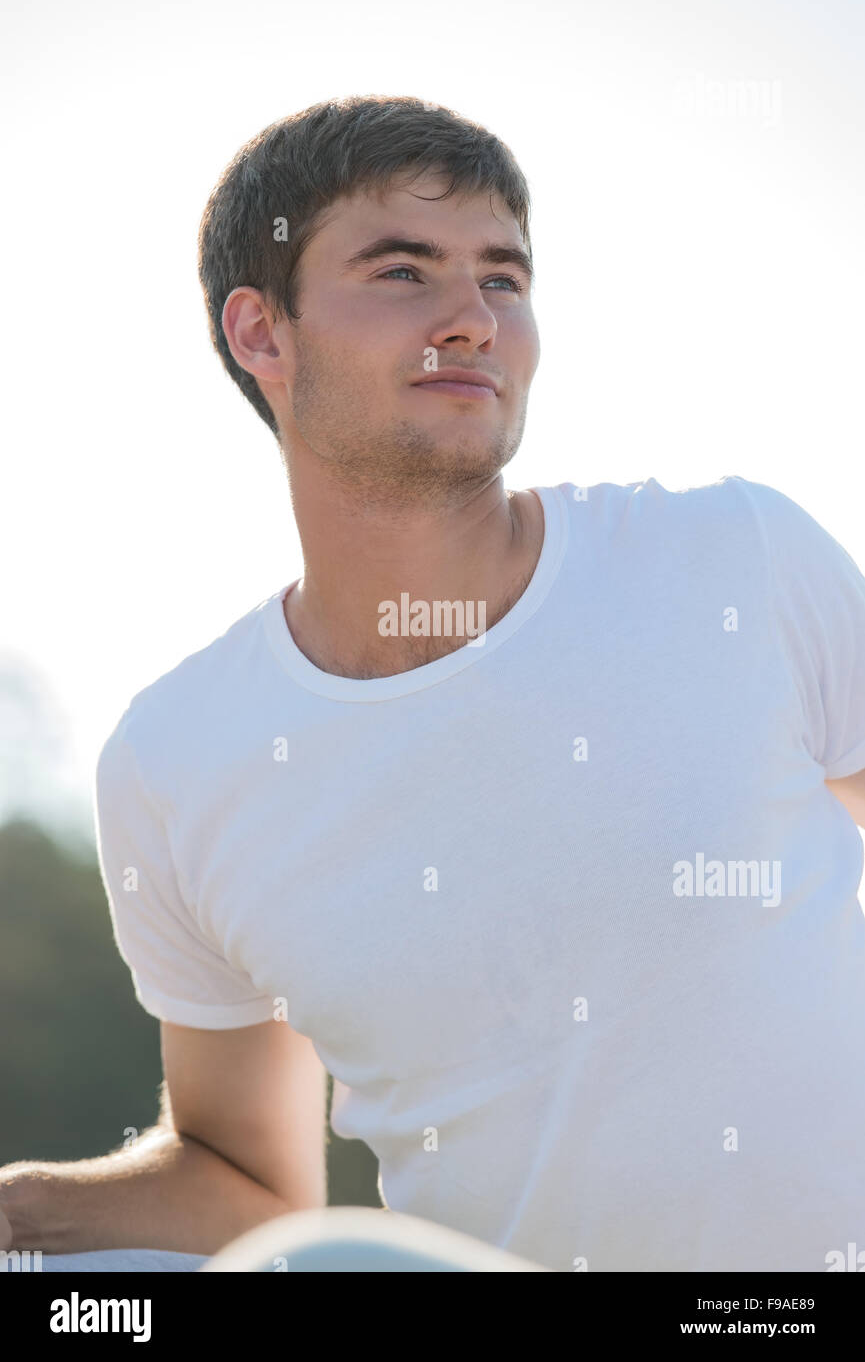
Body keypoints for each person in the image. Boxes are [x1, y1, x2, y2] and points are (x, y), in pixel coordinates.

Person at [3, 95, 865, 1274]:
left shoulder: (738, 558)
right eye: (404, 271)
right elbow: (254, 1193)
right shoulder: (175, 760)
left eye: (502, 279)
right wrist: (23, 1216)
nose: (471, 321)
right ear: (262, 332)